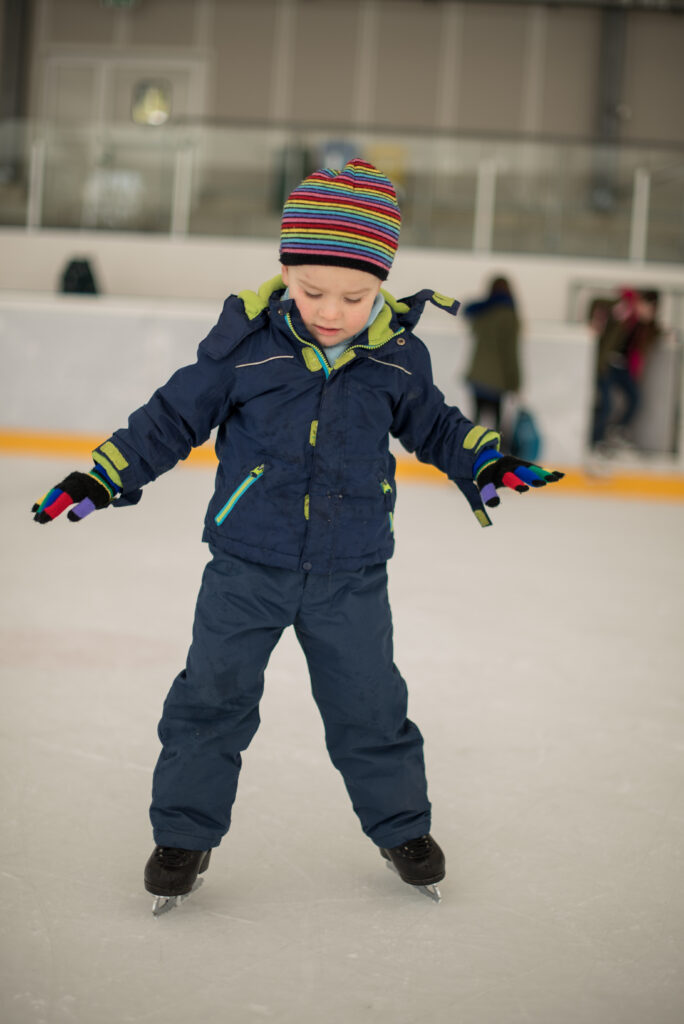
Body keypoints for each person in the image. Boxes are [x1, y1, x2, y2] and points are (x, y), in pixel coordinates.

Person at [31, 159, 564, 912]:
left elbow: (437, 425)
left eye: (356, 295)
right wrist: (104, 475)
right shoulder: (247, 348)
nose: (333, 310)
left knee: (370, 706)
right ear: (285, 271)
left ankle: (401, 827)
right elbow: (169, 420)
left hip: (351, 572)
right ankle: (183, 834)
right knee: (211, 699)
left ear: (382, 283)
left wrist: (483, 460)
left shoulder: (397, 356)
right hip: (247, 564)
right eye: (313, 291)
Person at [591, 288, 661, 451]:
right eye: (645, 305)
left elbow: (655, 334)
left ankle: (617, 431)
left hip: (623, 369)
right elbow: (597, 303)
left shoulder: (646, 326)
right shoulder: (623, 310)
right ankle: (596, 439)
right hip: (607, 365)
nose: (646, 310)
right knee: (606, 405)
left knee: (635, 398)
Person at [463, 276, 521, 433]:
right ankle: (494, 455)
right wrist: (515, 381)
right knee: (496, 425)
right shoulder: (509, 315)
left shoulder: (482, 311)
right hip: (497, 379)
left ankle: (470, 453)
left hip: (477, 375)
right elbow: (510, 351)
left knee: (475, 422)